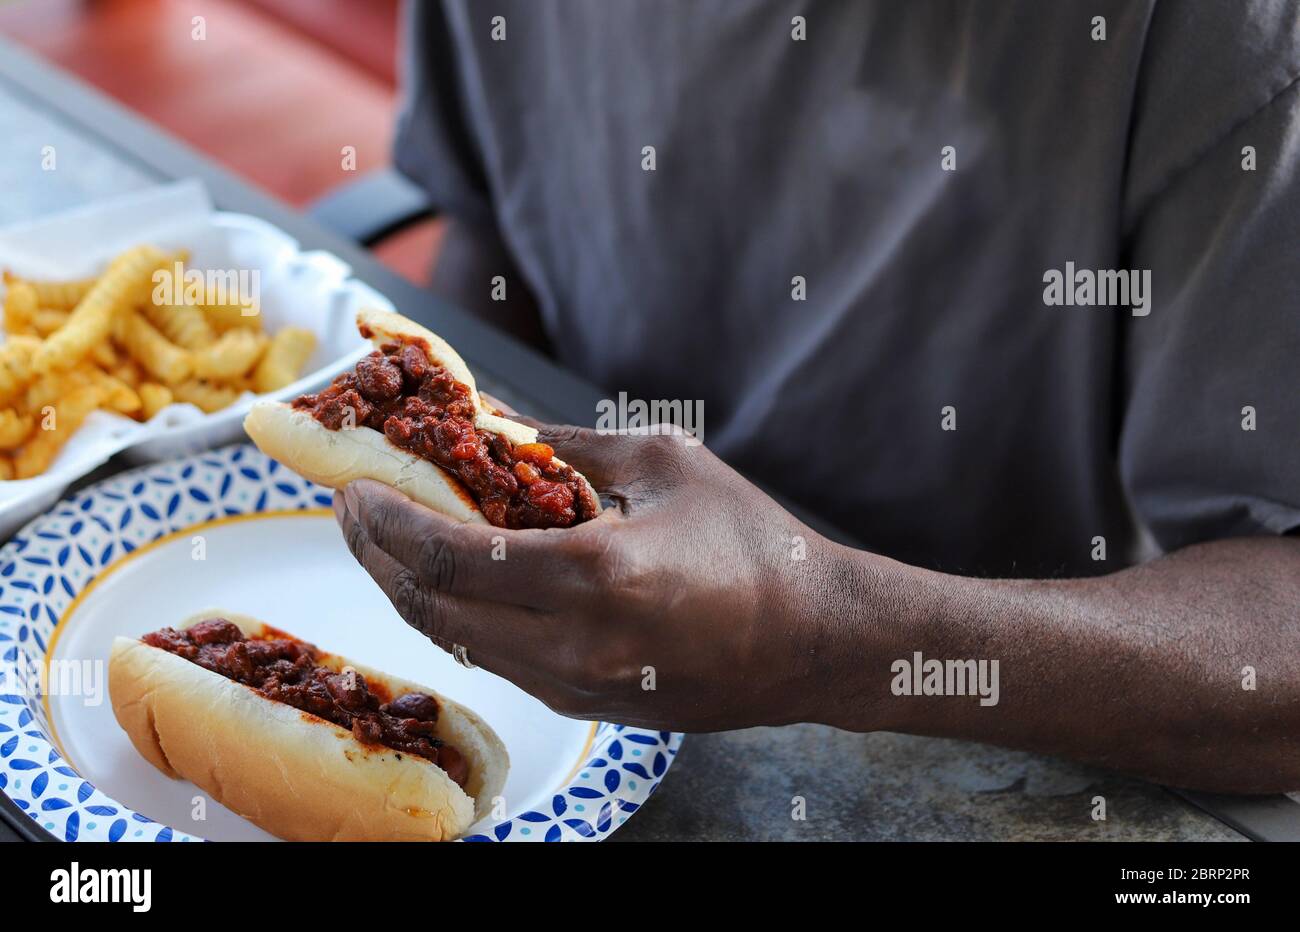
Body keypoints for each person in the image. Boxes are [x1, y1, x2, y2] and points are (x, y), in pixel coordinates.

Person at [335, 1, 1300, 793]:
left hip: (1011, 753)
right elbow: (489, 234)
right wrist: (472, 471)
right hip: (566, 730)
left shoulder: (1220, 38)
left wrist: (822, 636)